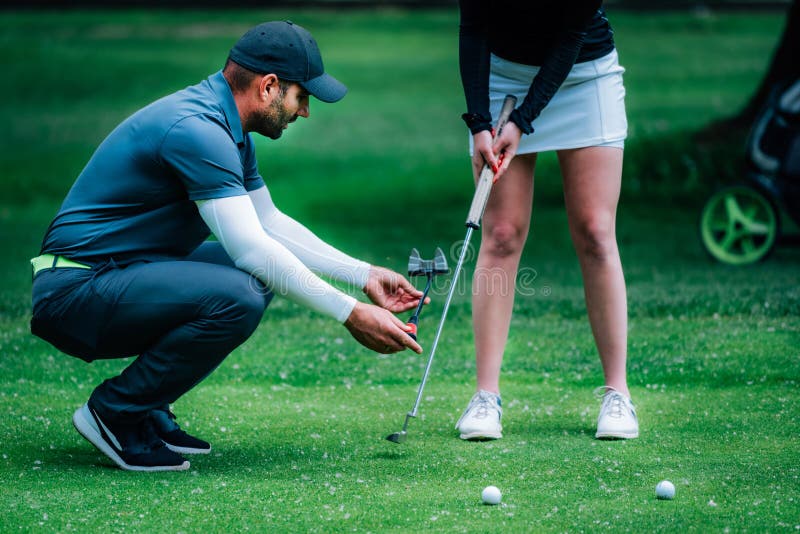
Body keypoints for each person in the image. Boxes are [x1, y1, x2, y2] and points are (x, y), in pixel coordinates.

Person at [30, 20, 424, 472]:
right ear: (269, 87)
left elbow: (269, 224)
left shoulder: (225, 125)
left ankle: (146, 407)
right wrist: (350, 313)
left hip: (116, 273)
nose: (306, 112)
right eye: (303, 97)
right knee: (238, 292)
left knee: (254, 280)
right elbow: (251, 249)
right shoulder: (198, 130)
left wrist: (364, 275)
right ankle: (116, 413)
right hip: (74, 290)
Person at [454, 1, 638, 441]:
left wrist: (523, 120)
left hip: (583, 73)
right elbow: (475, 25)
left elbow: (571, 35)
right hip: (501, 75)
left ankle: (618, 393)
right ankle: (485, 396)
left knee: (595, 230)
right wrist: (480, 122)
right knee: (500, 234)